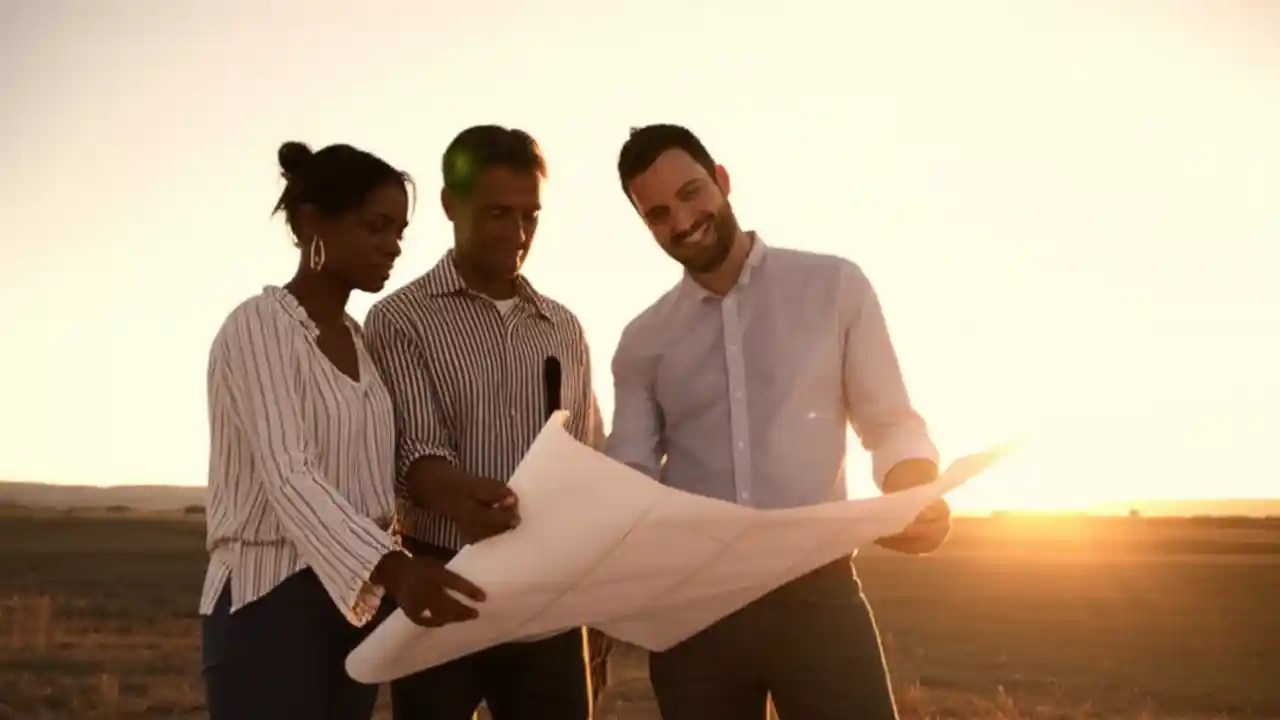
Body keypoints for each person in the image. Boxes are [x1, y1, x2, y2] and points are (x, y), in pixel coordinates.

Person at [604, 124, 952, 720]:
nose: (681, 221)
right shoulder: (642, 342)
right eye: (658, 213)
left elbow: (891, 423)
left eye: (690, 193)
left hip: (819, 595)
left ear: (722, 180)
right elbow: (628, 480)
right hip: (696, 611)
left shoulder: (834, 285)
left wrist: (913, 490)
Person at [200, 140, 487, 720]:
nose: (394, 246)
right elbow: (290, 477)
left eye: (400, 231)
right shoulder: (259, 327)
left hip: (350, 603)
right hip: (267, 605)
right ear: (311, 224)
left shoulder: (360, 341)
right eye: (376, 226)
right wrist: (396, 570)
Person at [364, 125, 604, 720]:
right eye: (498, 213)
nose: (518, 234)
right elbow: (414, 453)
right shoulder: (398, 319)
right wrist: (463, 502)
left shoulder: (563, 328)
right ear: (450, 204)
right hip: (439, 581)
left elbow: (587, 455)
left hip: (548, 596)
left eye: (531, 215)